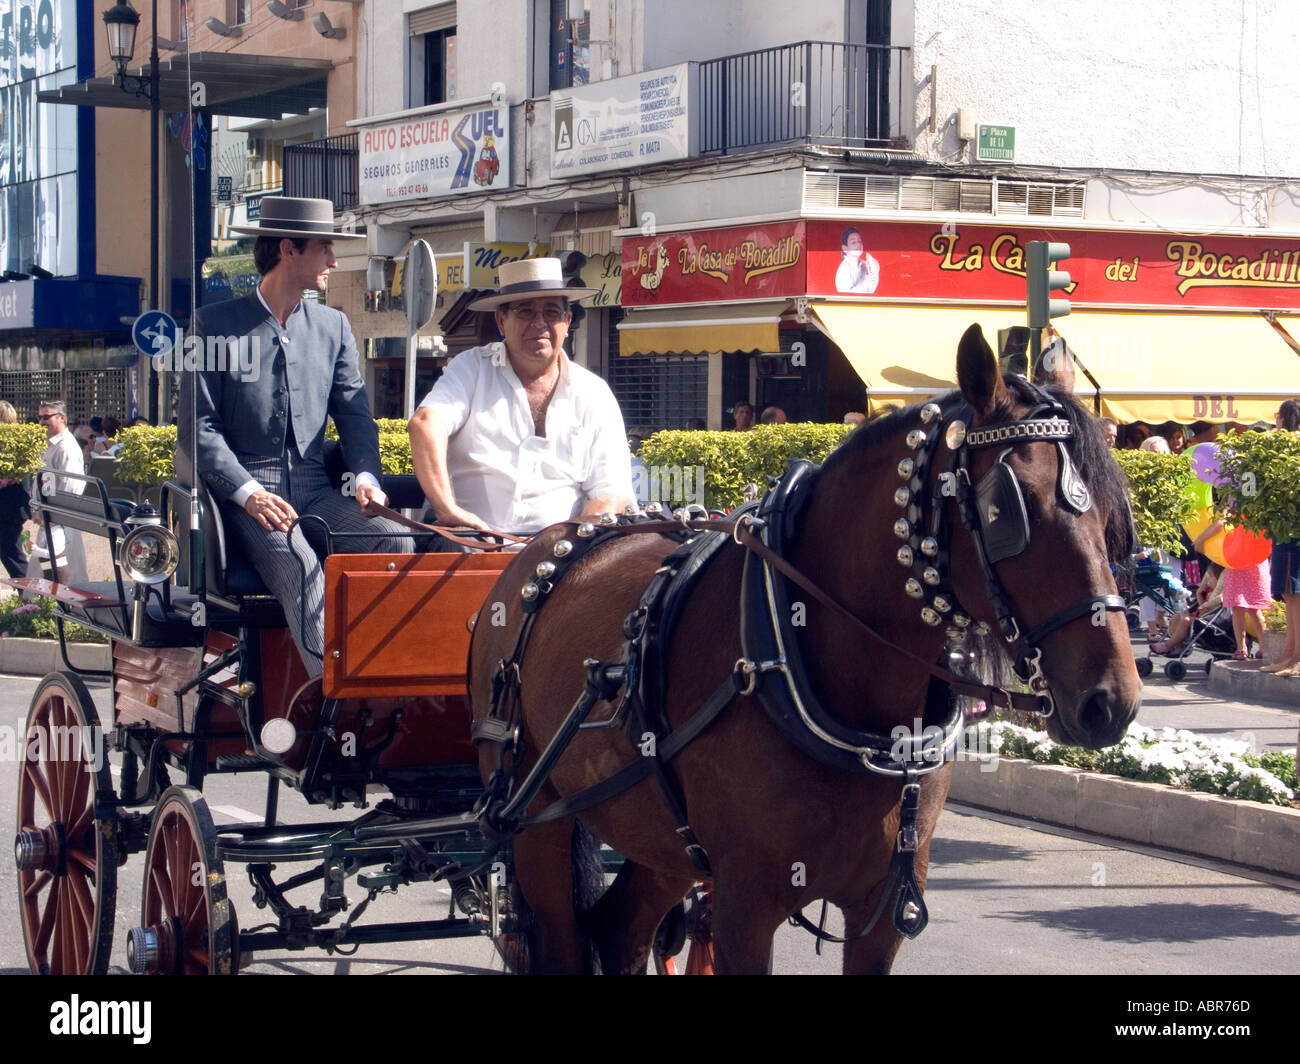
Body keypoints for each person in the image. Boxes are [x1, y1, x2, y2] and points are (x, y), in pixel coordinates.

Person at [180, 196, 412, 679]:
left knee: (395, 540)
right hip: (250, 495)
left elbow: (355, 416)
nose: (332, 260)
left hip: (317, 491)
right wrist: (249, 495)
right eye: (325, 248)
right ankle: (333, 701)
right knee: (304, 565)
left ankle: (385, 675)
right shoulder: (211, 326)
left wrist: (367, 476)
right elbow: (198, 428)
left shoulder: (333, 326)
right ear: (288, 249)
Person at [408, 257, 634, 538]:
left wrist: (567, 547)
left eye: (551, 312)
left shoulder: (594, 393)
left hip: (558, 557)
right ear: (501, 321)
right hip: (470, 547)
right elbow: (425, 423)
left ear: (567, 322)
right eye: (525, 311)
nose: (539, 323)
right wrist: (446, 509)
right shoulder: (471, 369)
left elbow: (612, 493)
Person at [1193, 518, 1270, 660]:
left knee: (1237, 607)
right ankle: (1264, 648)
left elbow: (1221, 522)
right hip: (1256, 557)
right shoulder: (1261, 509)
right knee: (1254, 608)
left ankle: (1242, 649)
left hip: (1237, 556)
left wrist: (1199, 540)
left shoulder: (1237, 503)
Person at [29, 400, 87, 583]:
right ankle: (42, 607)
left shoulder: (66, 446)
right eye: (40, 417)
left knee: (68, 573)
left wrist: (55, 516)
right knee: (44, 569)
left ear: (62, 418)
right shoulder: (50, 444)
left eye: (46, 417)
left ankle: (67, 608)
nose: (42, 422)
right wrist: (39, 511)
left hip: (61, 520)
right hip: (50, 518)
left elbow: (72, 486)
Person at [1264, 398, 1300, 676]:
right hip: (1282, 530)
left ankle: (1296, 657)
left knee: (1295, 595)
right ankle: (1289, 653)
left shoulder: (1288, 447)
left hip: (1290, 531)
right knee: (1289, 595)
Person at [0, 400, 30, 579]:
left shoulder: (13, 446)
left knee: (13, 557)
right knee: (12, 555)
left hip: (8, 510)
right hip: (12, 508)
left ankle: (31, 600)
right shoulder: (19, 443)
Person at [835, 226, 880, 294]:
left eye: (859, 241)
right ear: (845, 248)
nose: (858, 244)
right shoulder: (844, 268)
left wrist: (875, 271)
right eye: (853, 242)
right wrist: (865, 283)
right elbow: (846, 297)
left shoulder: (865, 265)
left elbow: (870, 291)